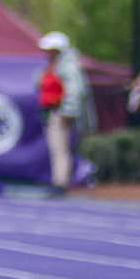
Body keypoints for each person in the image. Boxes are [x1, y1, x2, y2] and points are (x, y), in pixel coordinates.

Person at [36, 32, 86, 193]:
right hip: (52, 111)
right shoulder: (54, 66)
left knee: (60, 147)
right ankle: (59, 179)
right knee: (57, 146)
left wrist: (68, 111)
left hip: (61, 112)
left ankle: (61, 182)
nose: (46, 52)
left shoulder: (68, 66)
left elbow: (75, 90)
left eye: (50, 49)